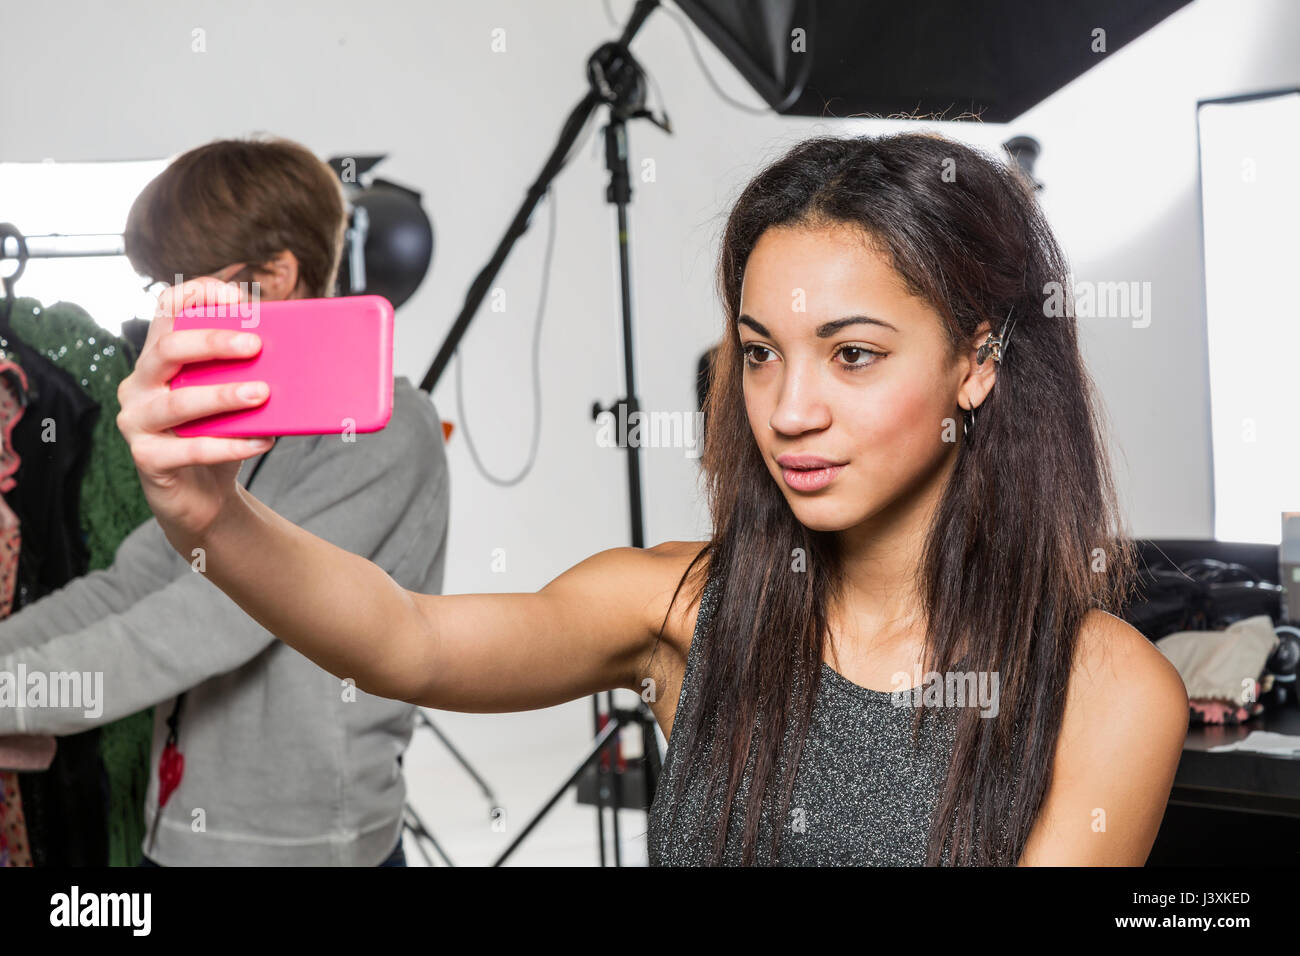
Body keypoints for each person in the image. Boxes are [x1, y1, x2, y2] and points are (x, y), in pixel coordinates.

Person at [117, 131, 1188, 866]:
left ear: (976, 361)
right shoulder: (679, 605)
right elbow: (406, 643)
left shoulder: (1103, 688)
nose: (787, 408)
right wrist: (211, 514)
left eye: (852, 354)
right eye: (760, 353)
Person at [0, 136, 450, 866]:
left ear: (273, 277)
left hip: (305, 853)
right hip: (178, 834)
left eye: (177, 284)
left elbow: (201, 626)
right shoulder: (238, 432)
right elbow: (128, 587)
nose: (164, 313)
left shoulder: (385, 432)